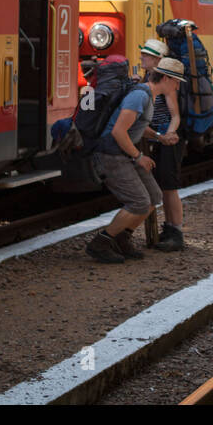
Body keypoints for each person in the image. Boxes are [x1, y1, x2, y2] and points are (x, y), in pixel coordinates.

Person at [85, 57, 188, 264]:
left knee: (154, 196)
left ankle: (123, 238)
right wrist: (139, 156)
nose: (177, 86)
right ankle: (101, 243)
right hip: (110, 154)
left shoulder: (148, 96)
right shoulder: (140, 97)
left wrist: (160, 137)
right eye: (176, 81)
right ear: (166, 78)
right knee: (139, 202)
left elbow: (138, 127)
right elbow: (118, 131)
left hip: (122, 152)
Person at [138, 40, 186, 251]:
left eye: (146, 56)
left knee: (169, 186)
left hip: (167, 140)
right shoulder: (143, 80)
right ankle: (166, 229)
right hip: (154, 138)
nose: (142, 58)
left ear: (157, 60)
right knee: (161, 185)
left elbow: (175, 115)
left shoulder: (167, 84)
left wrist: (169, 134)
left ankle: (175, 231)